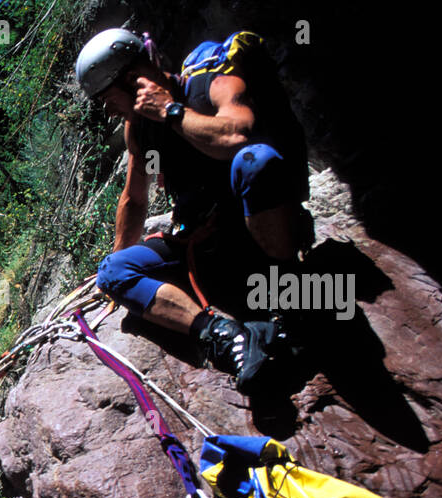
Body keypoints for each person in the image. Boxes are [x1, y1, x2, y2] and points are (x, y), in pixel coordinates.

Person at [78, 28, 312, 393]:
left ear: (132, 80)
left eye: (107, 99)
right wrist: (115, 283)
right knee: (113, 271)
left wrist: (171, 112)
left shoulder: (211, 85)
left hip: (255, 229)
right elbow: (135, 200)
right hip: (204, 242)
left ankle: (290, 297)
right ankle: (220, 334)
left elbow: (236, 137)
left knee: (256, 161)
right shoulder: (139, 131)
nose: (107, 110)